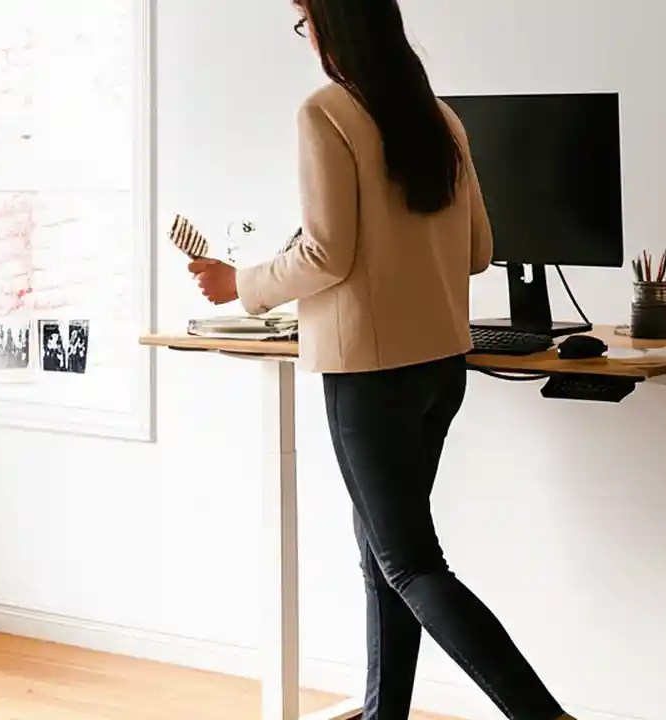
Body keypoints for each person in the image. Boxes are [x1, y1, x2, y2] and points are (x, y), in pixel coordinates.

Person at [189, 2, 573, 718]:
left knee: (409, 563)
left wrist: (239, 284)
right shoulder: (441, 118)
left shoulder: (325, 113)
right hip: (440, 370)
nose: (307, 40)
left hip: (368, 375)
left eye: (305, 23)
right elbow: (480, 253)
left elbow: (326, 254)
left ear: (334, 25)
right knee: (387, 559)